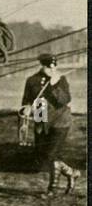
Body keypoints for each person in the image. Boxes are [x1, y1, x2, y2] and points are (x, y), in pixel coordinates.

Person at [21, 53, 79, 196]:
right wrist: (27, 108)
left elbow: (64, 100)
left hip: (60, 122)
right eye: (48, 67)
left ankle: (52, 190)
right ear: (41, 66)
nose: (51, 69)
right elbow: (27, 101)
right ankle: (72, 173)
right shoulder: (32, 80)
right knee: (44, 156)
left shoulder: (60, 80)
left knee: (52, 156)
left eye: (53, 66)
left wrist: (54, 85)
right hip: (42, 122)